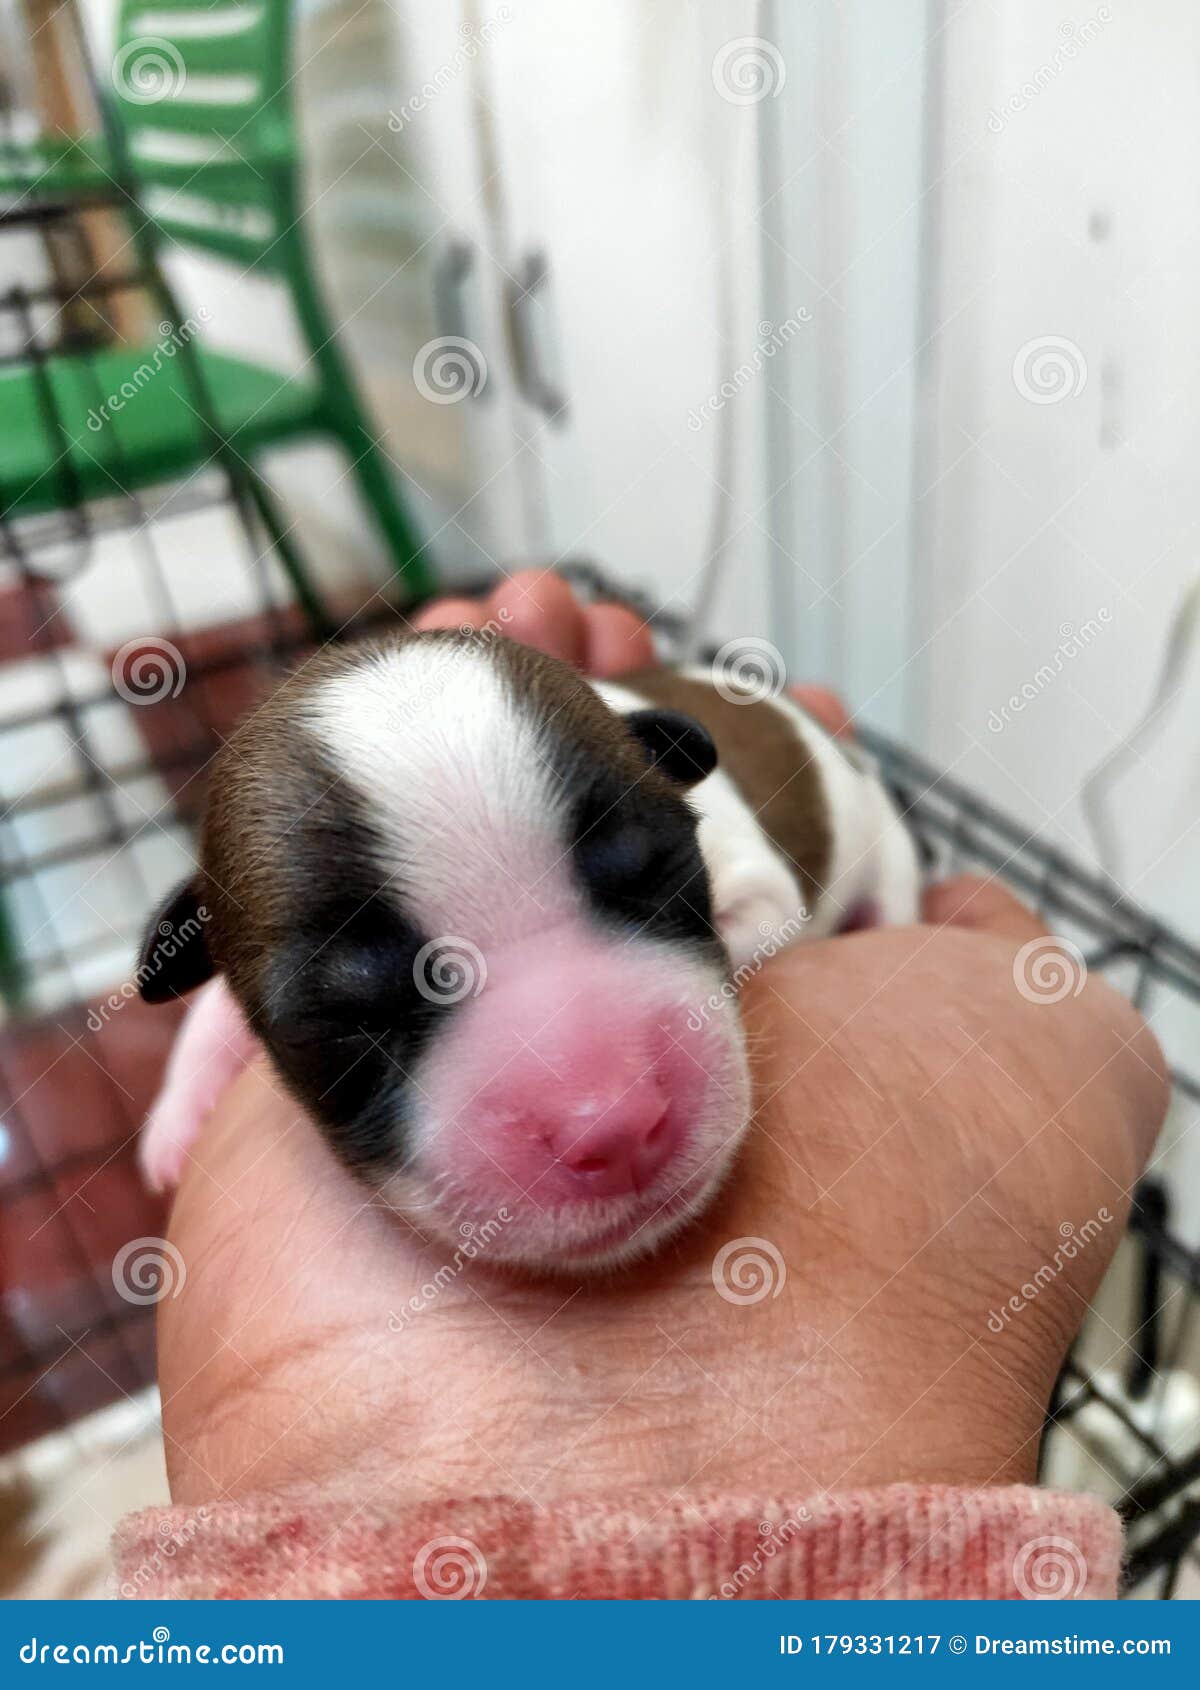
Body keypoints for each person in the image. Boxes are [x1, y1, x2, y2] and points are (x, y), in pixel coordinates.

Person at [114, 573, 1167, 1599]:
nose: (607, 1113)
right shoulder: (264, 932)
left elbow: (759, 904)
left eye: (647, 885)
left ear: (677, 785)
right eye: (364, 1008)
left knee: (858, 873)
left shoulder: (681, 791)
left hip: (853, 875)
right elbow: (238, 991)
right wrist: (193, 1084)